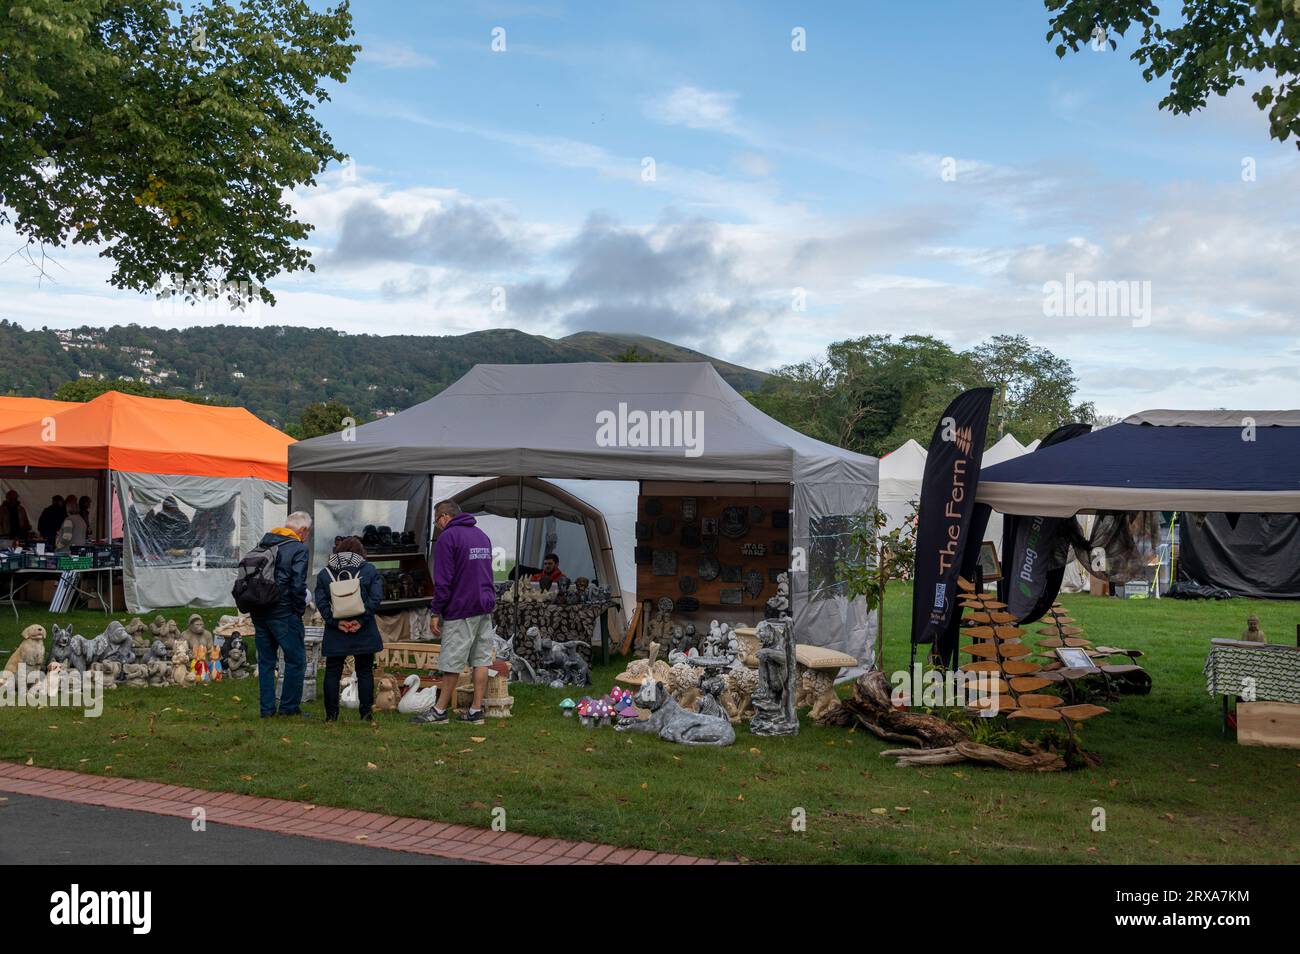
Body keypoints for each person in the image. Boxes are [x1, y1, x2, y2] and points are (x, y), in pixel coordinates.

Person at [413, 500, 497, 726]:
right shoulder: (481, 535)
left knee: (451, 661)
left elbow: (444, 581)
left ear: (444, 517)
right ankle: (476, 710)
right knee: (481, 660)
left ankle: (439, 711)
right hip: (484, 605)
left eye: (436, 521)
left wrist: (435, 611)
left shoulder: (447, 539)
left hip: (462, 607)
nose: (437, 525)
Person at [250, 511, 312, 718]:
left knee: (266, 662)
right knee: (296, 660)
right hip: (283, 612)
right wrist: (298, 611)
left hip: (259, 611)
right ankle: (289, 708)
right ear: (302, 531)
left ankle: (266, 710)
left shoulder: (263, 544)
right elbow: (298, 584)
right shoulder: (298, 548)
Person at [315, 536, 383, 722]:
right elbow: (375, 598)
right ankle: (366, 714)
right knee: (364, 671)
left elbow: (321, 603)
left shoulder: (324, 574)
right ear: (361, 552)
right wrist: (361, 621)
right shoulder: (369, 570)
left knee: (332, 671)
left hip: (336, 629)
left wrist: (336, 622)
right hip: (364, 628)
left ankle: (331, 715)